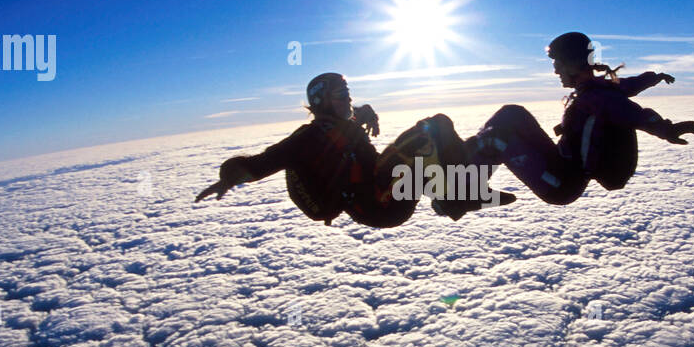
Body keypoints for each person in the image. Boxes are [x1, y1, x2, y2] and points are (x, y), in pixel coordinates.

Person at [194, 72, 514, 226]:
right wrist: (229, 176)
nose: (348, 98)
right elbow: (262, 162)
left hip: (382, 197)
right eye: (340, 93)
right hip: (374, 204)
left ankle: (463, 184)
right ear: (321, 101)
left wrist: (367, 113)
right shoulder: (307, 138)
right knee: (431, 130)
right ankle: (455, 200)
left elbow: (355, 117)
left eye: (348, 91)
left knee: (441, 145)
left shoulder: (345, 126)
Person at [441, 32, 694, 216]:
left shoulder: (597, 97)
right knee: (512, 113)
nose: (555, 71)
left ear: (573, 64)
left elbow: (637, 115)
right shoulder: (598, 88)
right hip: (560, 163)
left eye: (558, 64)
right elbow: (630, 85)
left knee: (496, 139)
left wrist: (669, 130)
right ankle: (465, 180)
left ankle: (463, 193)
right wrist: (655, 77)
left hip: (563, 183)